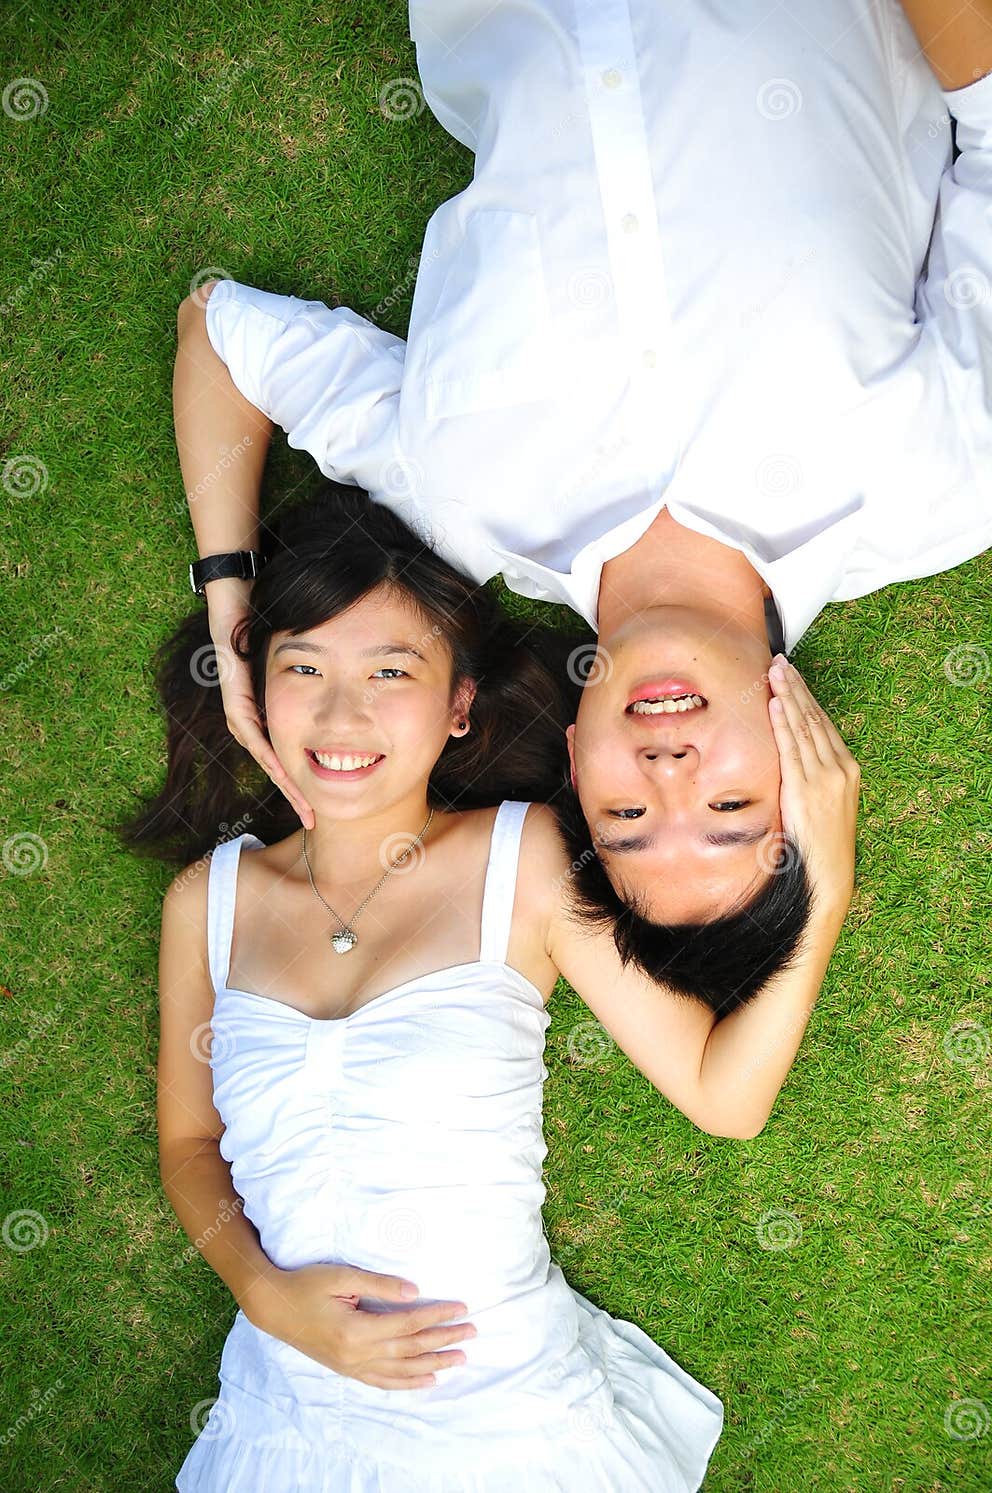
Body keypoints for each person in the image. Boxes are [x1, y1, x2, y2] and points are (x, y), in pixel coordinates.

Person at [168, 0, 988, 1007]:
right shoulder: (933, 483)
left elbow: (221, 337)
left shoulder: (463, 504)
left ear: (572, 757)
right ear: (802, 759)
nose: (668, 767)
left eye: (626, 815)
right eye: (729, 803)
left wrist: (229, 602)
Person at [120, 486, 857, 1490]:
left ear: (459, 704)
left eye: (391, 670)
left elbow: (722, 1094)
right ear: (258, 688)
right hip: (286, 1407)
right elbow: (186, 1143)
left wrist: (827, 881)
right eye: (303, 669)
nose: (343, 715)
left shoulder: (520, 861)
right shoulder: (206, 899)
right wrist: (264, 1294)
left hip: (504, 1413)